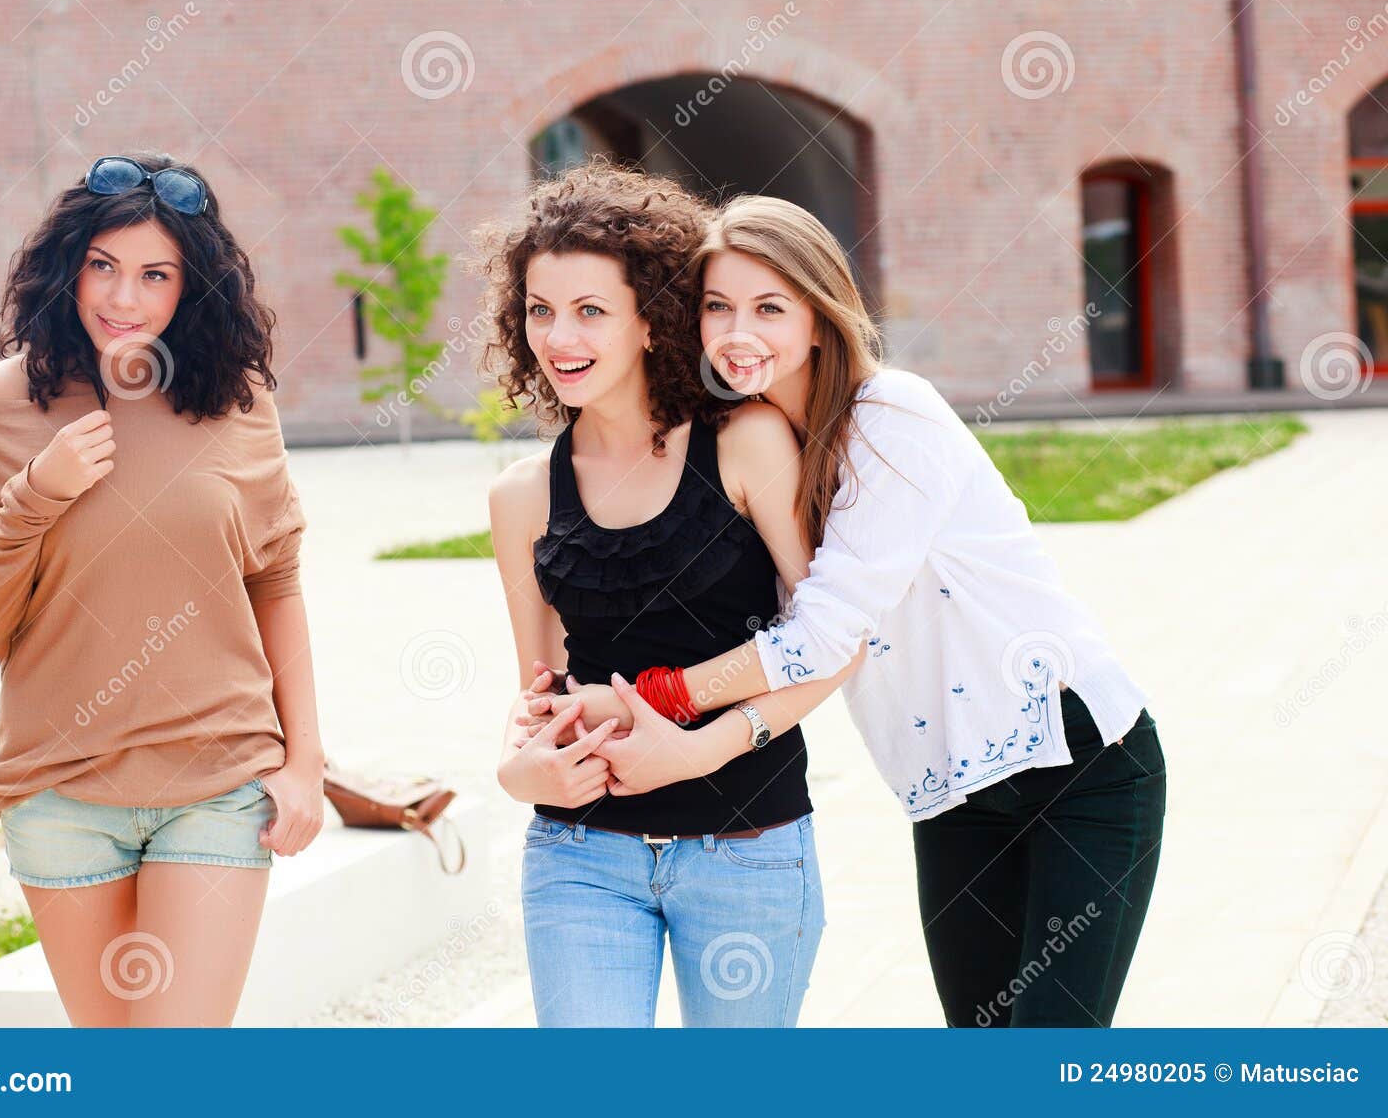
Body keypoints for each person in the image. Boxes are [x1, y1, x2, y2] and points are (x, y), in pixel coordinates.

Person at [528, 194, 1168, 1027]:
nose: (736, 331)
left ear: (822, 319)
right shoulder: (760, 444)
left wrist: (645, 699)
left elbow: (826, 633)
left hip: (1078, 758)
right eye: (717, 306)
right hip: (948, 792)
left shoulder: (891, 414)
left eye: (768, 307)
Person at [0, 153, 325, 1026]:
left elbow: (277, 578)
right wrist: (37, 492)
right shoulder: (2, 404)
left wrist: (303, 763)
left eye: (156, 275)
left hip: (218, 784)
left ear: (191, 287)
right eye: (104, 266)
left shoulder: (235, 399)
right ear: (67, 266)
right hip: (60, 791)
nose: (123, 298)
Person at [477, 163, 854, 1027]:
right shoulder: (521, 495)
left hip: (748, 851)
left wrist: (702, 749)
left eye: (590, 311)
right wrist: (514, 763)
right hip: (580, 856)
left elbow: (834, 642)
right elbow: (539, 690)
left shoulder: (746, 445)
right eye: (540, 309)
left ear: (651, 319)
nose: (558, 336)